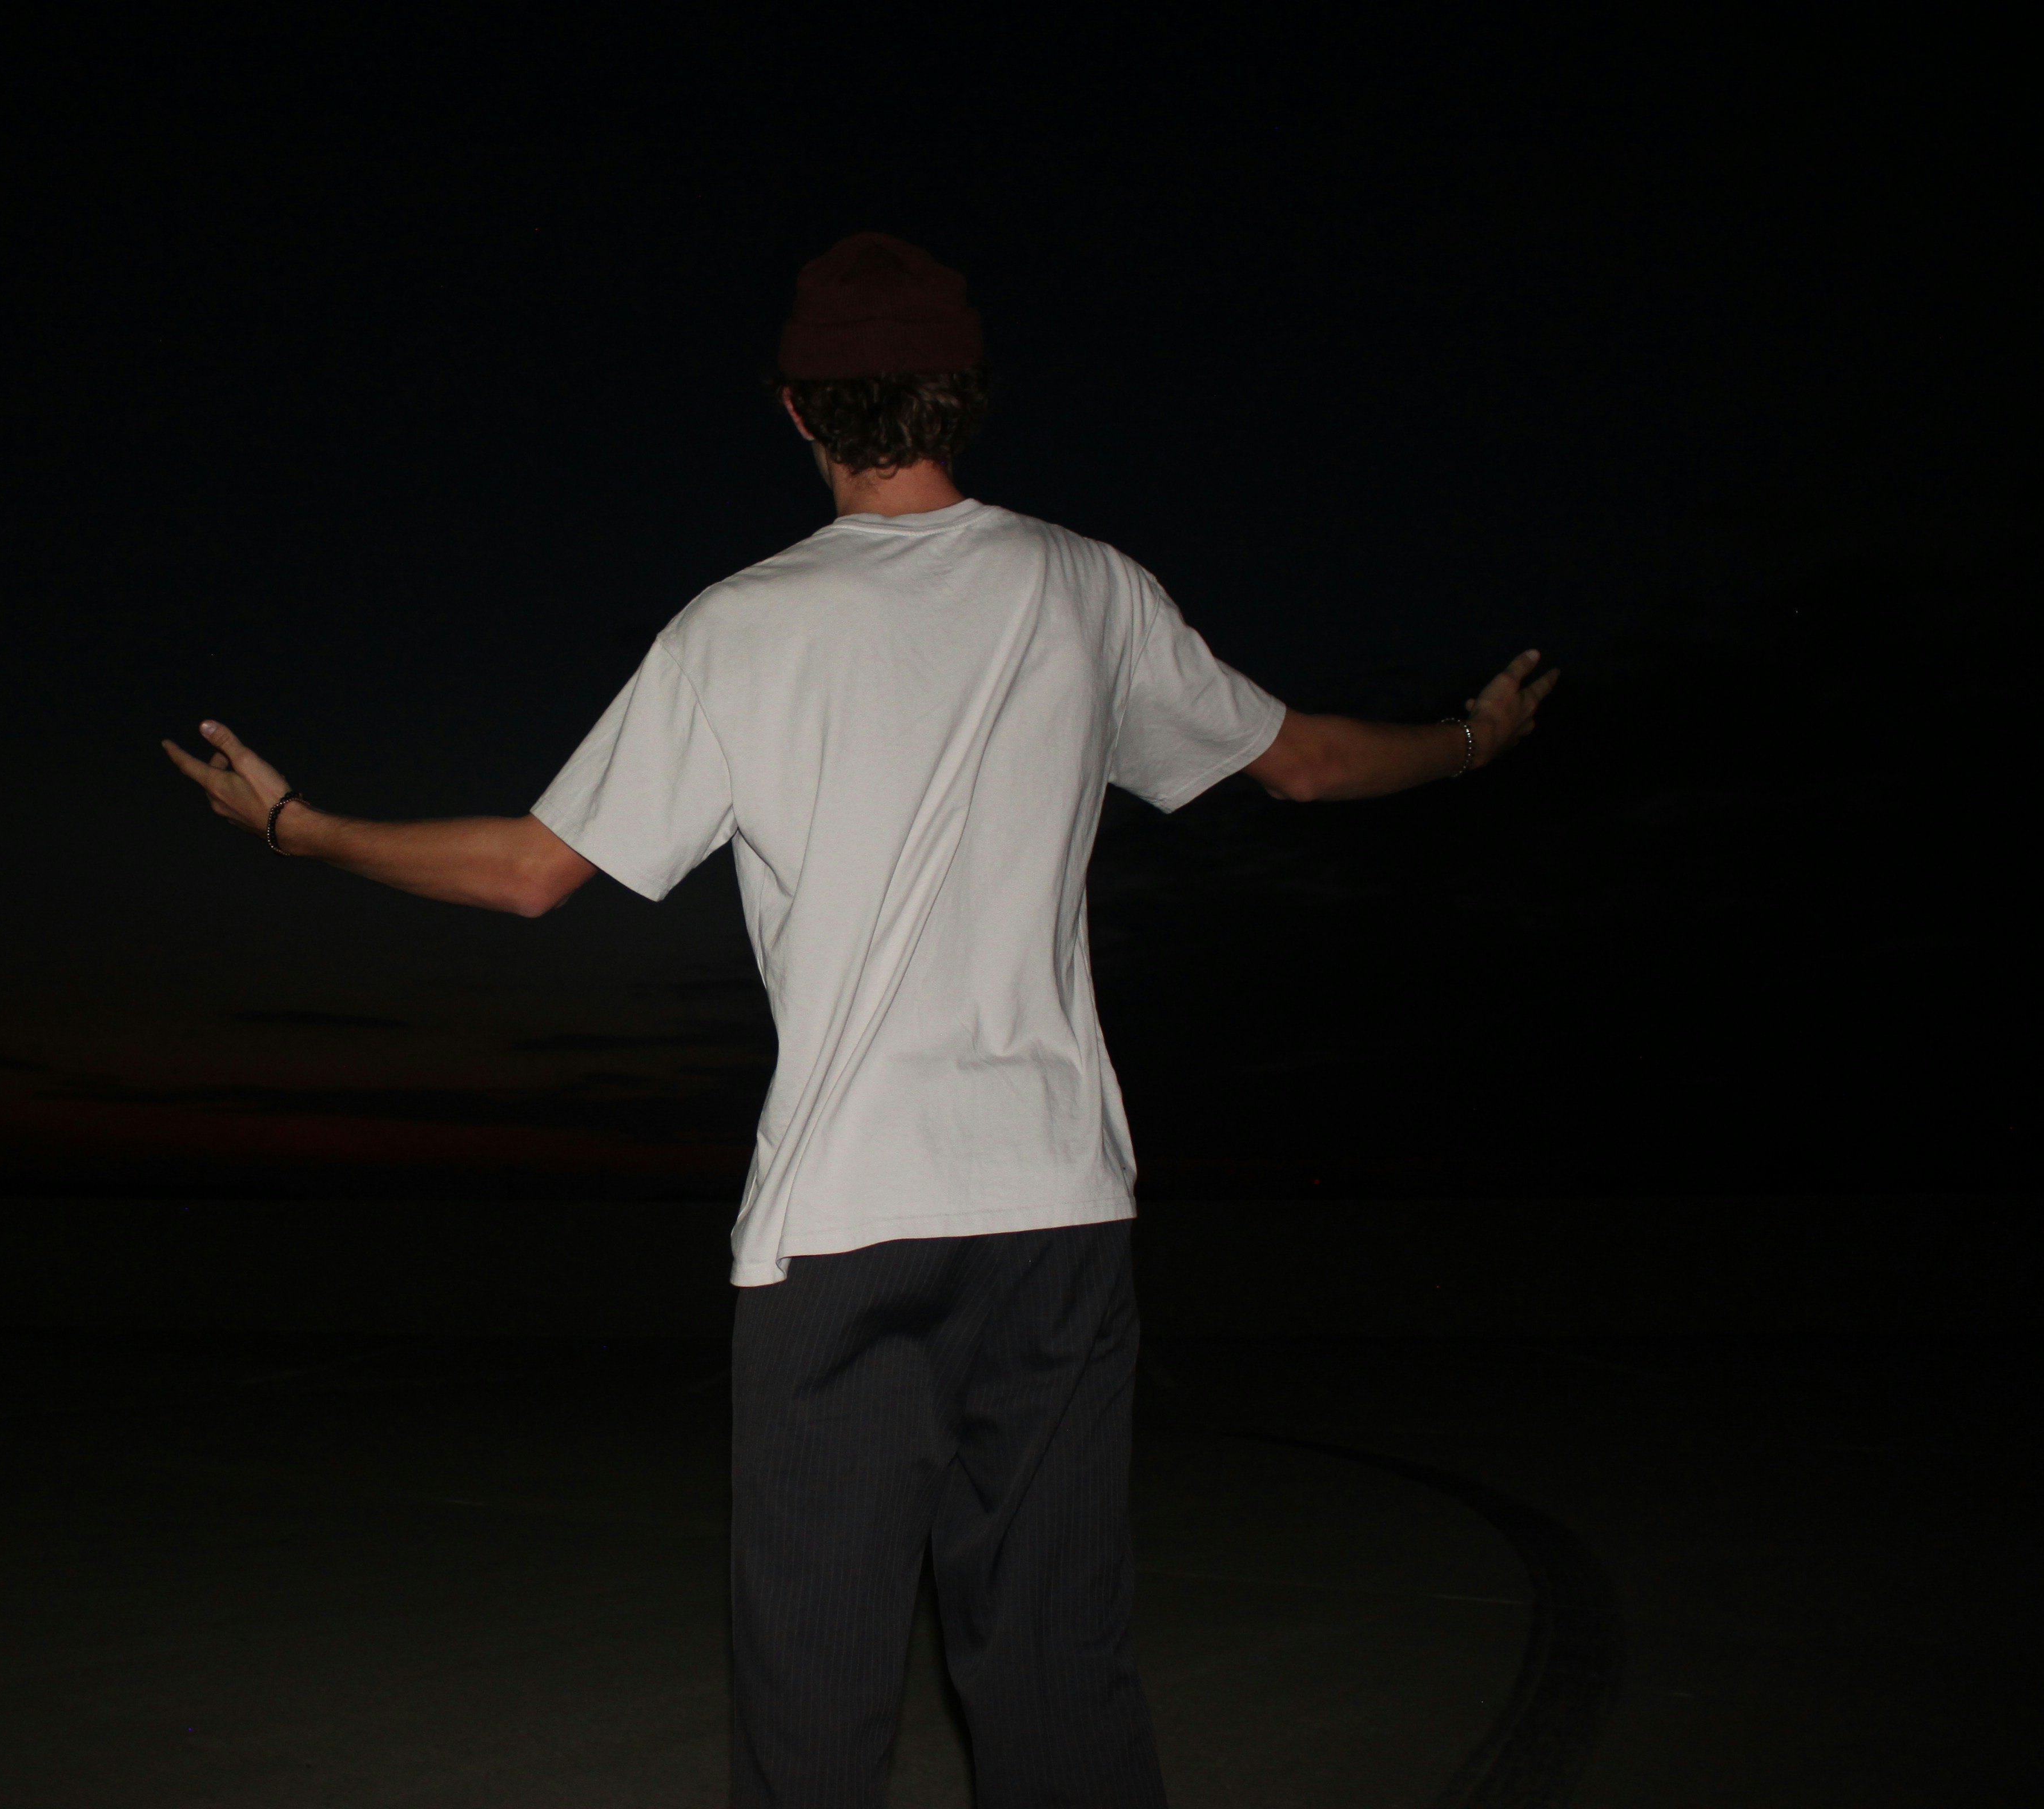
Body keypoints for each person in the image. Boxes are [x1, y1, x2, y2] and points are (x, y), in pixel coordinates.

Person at [164, 231, 1556, 1809]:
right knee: (1058, 1670)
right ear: (965, 400)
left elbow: (535, 874)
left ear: (794, 409)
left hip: (843, 1226)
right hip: (1056, 1210)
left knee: (818, 1703)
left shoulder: (742, 627)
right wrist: (1469, 741)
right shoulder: (1087, 588)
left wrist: (303, 832)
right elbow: (1303, 761)